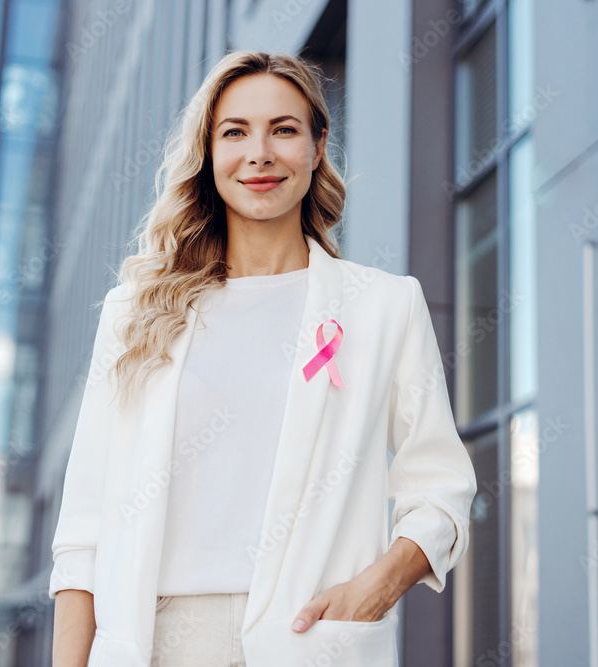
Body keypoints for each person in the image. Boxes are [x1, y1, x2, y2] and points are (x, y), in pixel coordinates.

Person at [50, 50, 477, 667]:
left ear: (317, 144)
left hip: (309, 640)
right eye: (235, 132)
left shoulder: (383, 306)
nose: (260, 153)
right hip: (156, 641)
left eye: (283, 129)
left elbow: (440, 487)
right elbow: (83, 531)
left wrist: (376, 588)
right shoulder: (135, 312)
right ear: (209, 152)